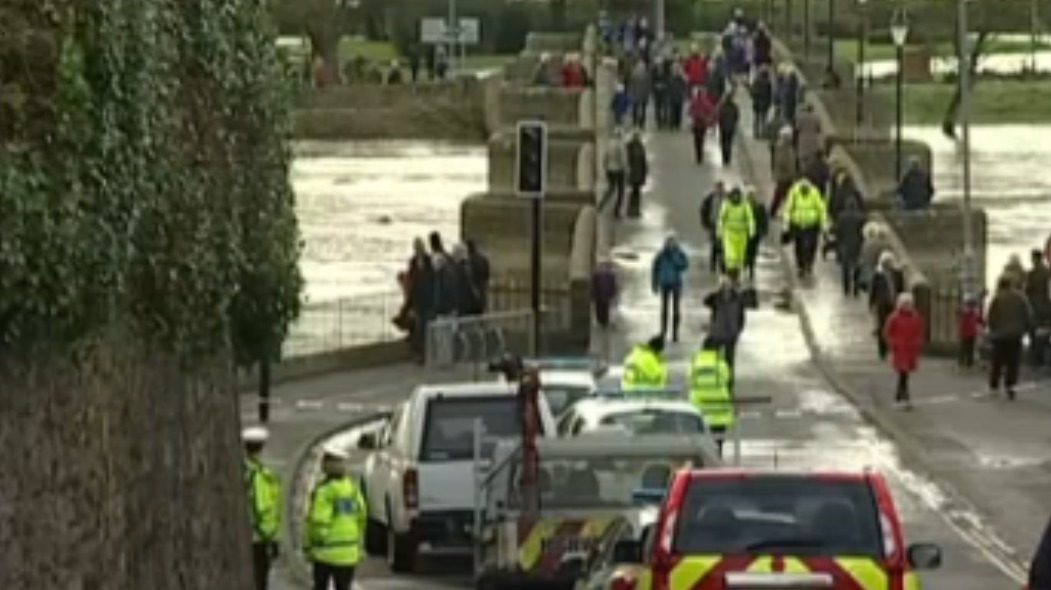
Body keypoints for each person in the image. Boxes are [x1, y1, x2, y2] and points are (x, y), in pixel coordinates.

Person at [305, 446, 366, 590]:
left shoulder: (324, 491)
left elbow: (318, 522)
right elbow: (361, 516)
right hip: (349, 553)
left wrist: (310, 546)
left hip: (325, 552)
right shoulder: (352, 489)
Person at [244, 427, 281, 590]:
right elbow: (263, 509)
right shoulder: (259, 476)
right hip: (258, 538)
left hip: (247, 535)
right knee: (260, 580)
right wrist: (272, 538)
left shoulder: (245, 470)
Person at [986, 276, 1033, 400]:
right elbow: (1028, 315)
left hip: (1000, 336)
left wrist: (992, 330)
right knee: (1013, 362)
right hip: (1016, 335)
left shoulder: (997, 298)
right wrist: (1026, 330)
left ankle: (994, 386)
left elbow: (991, 316)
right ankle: (1010, 387)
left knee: (997, 362)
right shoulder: (1021, 297)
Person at [688, 337, 735, 457]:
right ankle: (717, 457)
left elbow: (690, 380)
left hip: (699, 406)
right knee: (718, 439)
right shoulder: (720, 364)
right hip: (718, 407)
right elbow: (726, 378)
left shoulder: (694, 363)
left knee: (701, 439)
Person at [703, 272, 751, 378]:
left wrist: (738, 330)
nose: (726, 288)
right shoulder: (716, 298)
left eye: (727, 285)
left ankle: (729, 384)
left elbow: (741, 317)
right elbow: (705, 301)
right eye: (723, 286)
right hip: (717, 333)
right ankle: (716, 381)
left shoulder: (738, 299)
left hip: (731, 334)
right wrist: (716, 292)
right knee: (714, 360)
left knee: (729, 361)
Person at [883, 293, 925, 409]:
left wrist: (918, 343)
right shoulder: (894, 317)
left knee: (905, 375)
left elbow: (920, 331)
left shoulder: (915, 317)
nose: (907, 306)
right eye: (905, 304)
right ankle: (905, 398)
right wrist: (893, 344)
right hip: (900, 350)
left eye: (909, 304)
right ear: (900, 304)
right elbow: (887, 332)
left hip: (910, 350)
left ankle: (899, 397)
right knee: (903, 374)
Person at [782, 176, 828, 278]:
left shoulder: (814, 193)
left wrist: (824, 224)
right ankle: (800, 265)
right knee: (799, 246)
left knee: (811, 245)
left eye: (806, 191)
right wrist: (786, 224)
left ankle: (809, 263)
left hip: (812, 225)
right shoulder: (794, 192)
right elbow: (788, 208)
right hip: (798, 224)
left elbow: (821, 209)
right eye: (803, 191)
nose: (804, 193)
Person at [652, 235, 689, 341]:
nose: (671, 244)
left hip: (676, 284)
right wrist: (655, 284)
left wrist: (675, 260)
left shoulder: (679, 253)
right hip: (664, 284)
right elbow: (655, 270)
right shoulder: (660, 255)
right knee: (664, 309)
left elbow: (685, 265)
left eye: (673, 242)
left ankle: (675, 333)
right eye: (669, 242)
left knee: (676, 309)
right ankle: (663, 331)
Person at [869, 252, 904, 360]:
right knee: (882, 327)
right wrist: (871, 304)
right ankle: (882, 350)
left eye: (889, 262)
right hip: (882, 304)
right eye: (885, 262)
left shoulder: (897, 274)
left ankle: (892, 347)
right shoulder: (877, 275)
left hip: (894, 303)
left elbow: (901, 288)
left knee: (895, 327)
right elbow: (873, 290)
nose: (887, 264)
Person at [406, 238, 435, 362]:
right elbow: (412, 282)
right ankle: (422, 355)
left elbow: (433, 279)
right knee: (420, 328)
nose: (418, 249)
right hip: (419, 301)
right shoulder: (413, 262)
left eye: (420, 247)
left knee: (426, 328)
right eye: (417, 247)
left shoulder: (429, 261)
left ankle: (427, 354)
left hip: (428, 300)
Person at [717, 187, 755, 275]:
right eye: (734, 196)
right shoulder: (726, 205)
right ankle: (730, 270)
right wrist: (719, 232)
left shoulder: (745, 205)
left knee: (740, 254)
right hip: (729, 234)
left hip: (742, 234)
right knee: (730, 254)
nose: (736, 198)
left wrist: (752, 231)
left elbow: (750, 218)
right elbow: (721, 219)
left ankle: (738, 271)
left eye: (737, 196)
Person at [833, 197, 866, 297]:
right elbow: (863, 232)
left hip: (845, 245)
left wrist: (838, 243)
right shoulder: (860, 217)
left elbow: (838, 231)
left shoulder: (841, 217)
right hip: (857, 245)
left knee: (845, 268)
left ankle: (846, 288)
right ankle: (856, 288)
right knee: (857, 267)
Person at [1025, 248, 1051, 365]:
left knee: (1033, 333)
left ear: (1035, 259)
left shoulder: (1031, 274)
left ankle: (1036, 358)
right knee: (1044, 332)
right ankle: (1042, 356)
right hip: (1046, 307)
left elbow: (1027, 290)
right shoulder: (1048, 272)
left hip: (1035, 307)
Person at [769, 126, 797, 215]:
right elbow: (781, 161)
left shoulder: (787, 146)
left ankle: (777, 210)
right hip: (784, 175)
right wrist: (789, 170)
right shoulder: (782, 147)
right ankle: (773, 211)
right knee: (781, 194)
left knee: (784, 194)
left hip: (787, 175)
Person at [700, 181, 727, 272]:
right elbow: (703, 210)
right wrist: (705, 223)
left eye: (721, 188)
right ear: (715, 188)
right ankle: (713, 264)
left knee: (723, 245)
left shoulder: (727, 198)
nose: (719, 190)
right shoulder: (710, 198)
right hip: (713, 224)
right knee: (714, 245)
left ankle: (723, 265)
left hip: (724, 225)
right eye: (718, 188)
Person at [744, 187, 768, 281]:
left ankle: (751, 268)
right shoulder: (743, 206)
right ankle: (746, 265)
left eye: (752, 195)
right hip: (745, 233)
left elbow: (764, 219)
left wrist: (764, 230)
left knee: (753, 251)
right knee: (746, 250)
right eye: (749, 195)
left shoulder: (760, 207)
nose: (751, 197)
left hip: (756, 233)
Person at [602, 128, 628, 217]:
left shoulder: (609, 144)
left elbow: (605, 157)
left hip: (610, 169)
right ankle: (617, 211)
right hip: (619, 170)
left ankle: (601, 204)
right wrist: (626, 169)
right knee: (621, 191)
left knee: (611, 188)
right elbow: (623, 159)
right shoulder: (620, 145)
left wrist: (605, 167)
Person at [688, 86, 716, 164]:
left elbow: (690, 111)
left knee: (696, 140)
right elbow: (711, 111)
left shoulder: (694, 101)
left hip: (696, 124)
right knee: (701, 139)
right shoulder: (706, 102)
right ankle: (700, 155)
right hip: (703, 124)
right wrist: (710, 121)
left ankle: (698, 155)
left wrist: (693, 116)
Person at [626, 130, 648, 218]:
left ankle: (636, 210)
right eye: (636, 136)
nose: (637, 138)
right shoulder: (630, 147)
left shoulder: (640, 146)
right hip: (633, 173)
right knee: (634, 192)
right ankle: (632, 210)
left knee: (637, 192)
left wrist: (645, 170)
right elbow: (628, 161)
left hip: (639, 173)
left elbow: (643, 160)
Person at [591, 256, 618, 329]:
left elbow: (593, 284)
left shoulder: (596, 274)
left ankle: (601, 321)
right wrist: (613, 293)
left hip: (599, 294)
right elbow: (613, 285)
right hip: (605, 294)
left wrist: (593, 294)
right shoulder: (611, 274)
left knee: (600, 308)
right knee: (605, 307)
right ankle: (604, 321)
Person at [958, 294, 983, 369]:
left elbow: (979, 320)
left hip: (970, 332)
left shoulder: (972, 312)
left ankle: (967, 361)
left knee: (968, 347)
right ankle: (965, 361)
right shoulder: (968, 312)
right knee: (966, 347)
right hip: (968, 332)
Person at [465, 239, 490, 314]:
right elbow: (487, 276)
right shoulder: (483, 260)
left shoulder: (467, 262)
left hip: (469, 300)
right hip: (481, 297)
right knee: (479, 319)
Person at [716, 90, 740, 166]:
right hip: (731, 127)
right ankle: (728, 158)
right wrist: (734, 123)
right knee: (729, 142)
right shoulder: (734, 107)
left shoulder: (722, 106)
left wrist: (720, 124)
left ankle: (724, 158)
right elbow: (737, 116)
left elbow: (719, 116)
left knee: (723, 142)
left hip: (723, 127)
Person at [750, 65, 774, 137]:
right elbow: (770, 94)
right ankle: (763, 132)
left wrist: (755, 98)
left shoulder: (756, 81)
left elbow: (752, 92)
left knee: (756, 118)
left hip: (757, 103)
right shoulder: (768, 83)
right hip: (765, 103)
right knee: (764, 119)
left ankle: (756, 133)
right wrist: (769, 103)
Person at [629, 60, 651, 127]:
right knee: (636, 108)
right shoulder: (634, 74)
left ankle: (640, 122)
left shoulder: (646, 75)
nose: (641, 68)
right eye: (640, 66)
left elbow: (648, 85)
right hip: (637, 94)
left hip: (642, 94)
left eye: (642, 66)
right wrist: (631, 93)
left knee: (642, 109)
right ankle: (636, 121)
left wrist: (647, 95)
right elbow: (632, 85)